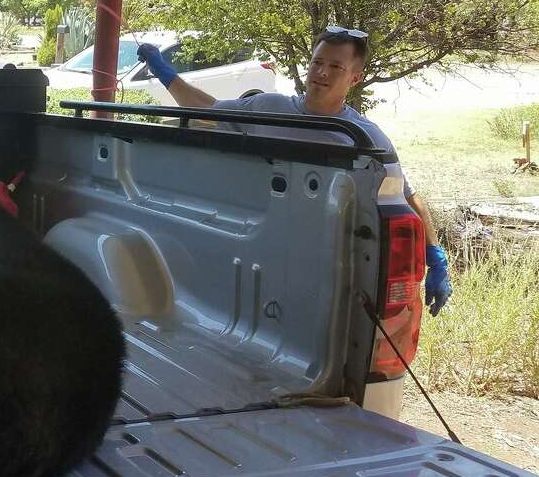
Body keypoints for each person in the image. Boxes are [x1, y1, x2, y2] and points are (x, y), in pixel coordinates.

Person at [138, 26, 452, 316]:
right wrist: (163, 70)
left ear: (355, 78)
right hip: (258, 255)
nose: (322, 72)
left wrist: (434, 254)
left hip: (325, 270)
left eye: (336, 67)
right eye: (317, 62)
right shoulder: (269, 109)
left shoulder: (365, 138)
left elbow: (406, 197)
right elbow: (204, 110)